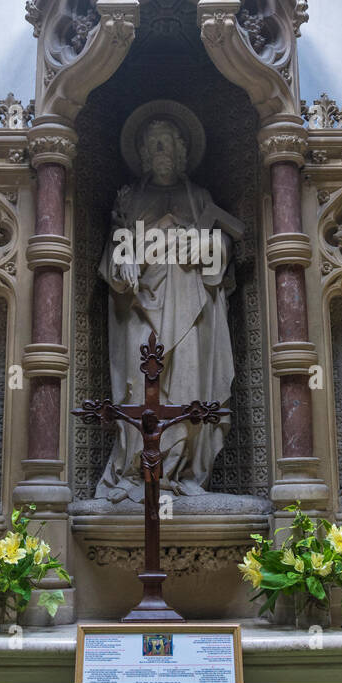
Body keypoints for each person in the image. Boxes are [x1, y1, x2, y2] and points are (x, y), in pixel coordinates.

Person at [95, 113, 239, 503]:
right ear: (143, 153)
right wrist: (122, 260)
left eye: (168, 143)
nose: (162, 151)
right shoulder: (129, 198)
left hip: (192, 305)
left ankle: (185, 471)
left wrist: (210, 246)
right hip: (140, 306)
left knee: (190, 384)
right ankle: (137, 471)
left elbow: (226, 250)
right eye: (154, 143)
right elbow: (113, 255)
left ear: (181, 151)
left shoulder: (200, 198)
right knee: (141, 386)